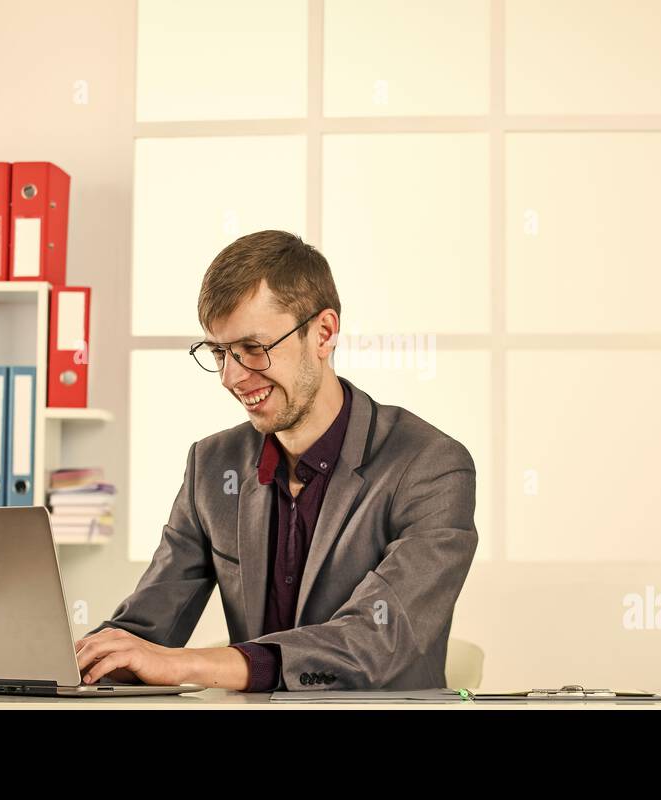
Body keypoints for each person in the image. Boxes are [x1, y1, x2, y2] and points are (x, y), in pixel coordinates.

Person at [75, 230, 478, 691]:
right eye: (219, 352)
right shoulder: (212, 465)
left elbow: (376, 641)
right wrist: (79, 661)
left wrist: (188, 665)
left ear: (323, 333)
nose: (232, 376)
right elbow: (147, 628)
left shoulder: (431, 465)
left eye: (253, 348)